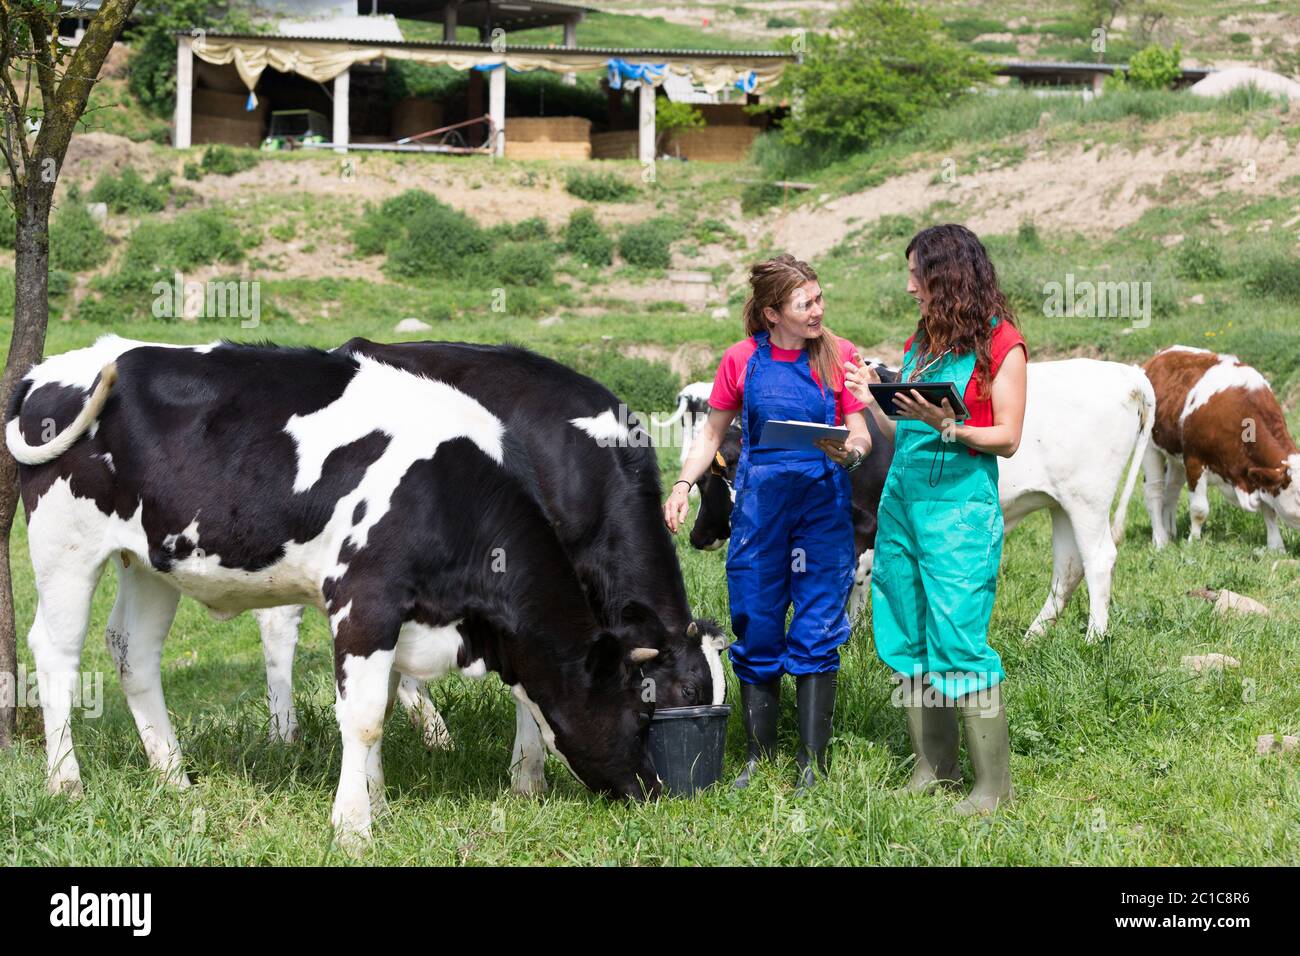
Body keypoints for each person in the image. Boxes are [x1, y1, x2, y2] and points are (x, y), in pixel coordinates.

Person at [664, 254, 871, 790]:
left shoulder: (840, 356)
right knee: (756, 623)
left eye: (820, 298)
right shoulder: (741, 360)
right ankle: (758, 756)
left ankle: (812, 764)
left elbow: (861, 434)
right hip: (758, 513)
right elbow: (711, 436)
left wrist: (849, 452)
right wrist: (684, 485)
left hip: (823, 509)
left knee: (818, 625)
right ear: (773, 312)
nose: (818, 310)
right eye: (806, 303)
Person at [844, 223, 1027, 814]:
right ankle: (934, 768)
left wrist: (949, 424)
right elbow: (908, 432)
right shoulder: (923, 339)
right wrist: (878, 397)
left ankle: (993, 788)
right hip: (903, 503)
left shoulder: (1004, 344)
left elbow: (1008, 437)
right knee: (906, 632)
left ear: (947, 276)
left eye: (916, 275)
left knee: (957, 638)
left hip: (959, 511)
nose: (909, 287)